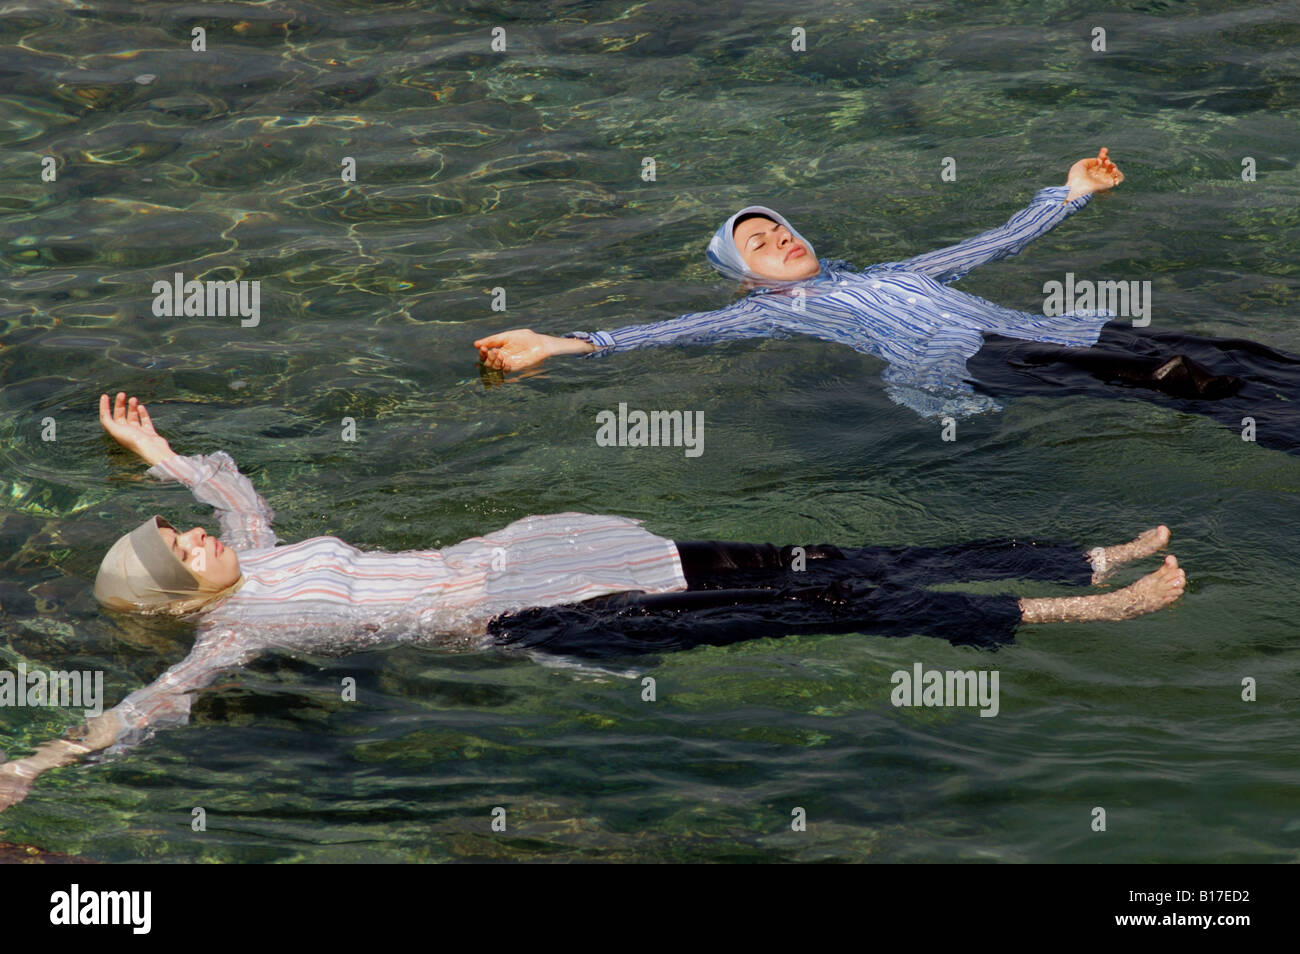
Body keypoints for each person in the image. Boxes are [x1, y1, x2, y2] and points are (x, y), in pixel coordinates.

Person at [0, 393, 1186, 811]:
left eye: (179, 532)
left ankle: (1075, 555)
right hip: (554, 618)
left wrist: (158, 459)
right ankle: (1065, 614)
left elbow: (232, 480)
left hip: (553, 553)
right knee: (834, 608)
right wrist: (42, 768)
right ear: (172, 598)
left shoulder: (257, 554)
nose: (198, 537)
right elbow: (149, 711)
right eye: (177, 547)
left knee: (827, 553)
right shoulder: (236, 630)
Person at [474, 148, 1299, 453]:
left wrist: (1071, 192)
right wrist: (559, 344)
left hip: (1061, 327)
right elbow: (665, 332)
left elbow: (993, 243)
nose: (779, 242)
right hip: (987, 360)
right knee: (1187, 380)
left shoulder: (894, 272)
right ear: (745, 275)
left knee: (1238, 356)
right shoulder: (764, 310)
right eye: (758, 245)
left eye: (781, 230)